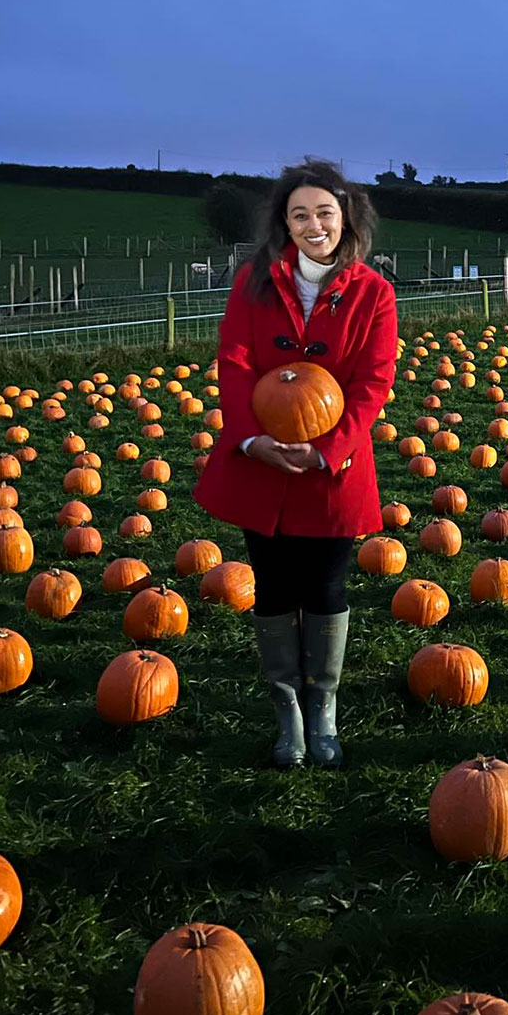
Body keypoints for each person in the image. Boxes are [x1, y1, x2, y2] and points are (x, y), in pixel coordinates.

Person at [193, 159, 399, 768]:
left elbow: (373, 381)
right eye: (301, 214)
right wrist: (251, 439)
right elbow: (232, 362)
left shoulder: (373, 293)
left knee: (328, 585)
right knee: (275, 587)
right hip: (262, 463)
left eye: (325, 213)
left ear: (347, 218)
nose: (314, 226)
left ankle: (323, 709)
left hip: (333, 468)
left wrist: (328, 449)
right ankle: (287, 713)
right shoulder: (253, 283)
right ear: (284, 222)